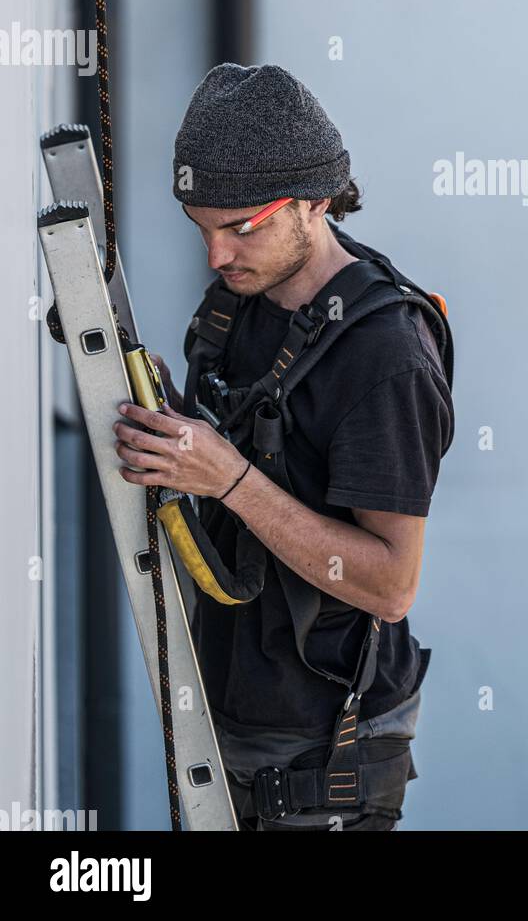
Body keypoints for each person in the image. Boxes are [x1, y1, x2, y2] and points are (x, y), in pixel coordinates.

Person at [113, 63, 455, 830]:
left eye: (241, 227)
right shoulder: (238, 305)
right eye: (201, 228)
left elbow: (391, 585)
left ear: (315, 200)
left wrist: (226, 476)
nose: (218, 257)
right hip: (228, 714)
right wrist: (168, 424)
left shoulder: (385, 356)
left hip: (326, 758)